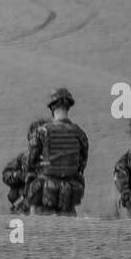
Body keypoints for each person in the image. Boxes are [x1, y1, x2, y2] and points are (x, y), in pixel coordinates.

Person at [24, 87, 88, 216]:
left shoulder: (42, 131)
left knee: (38, 233)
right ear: (68, 107)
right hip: (69, 195)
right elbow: (82, 165)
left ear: (52, 108)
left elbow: (29, 162)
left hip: (43, 196)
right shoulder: (79, 133)